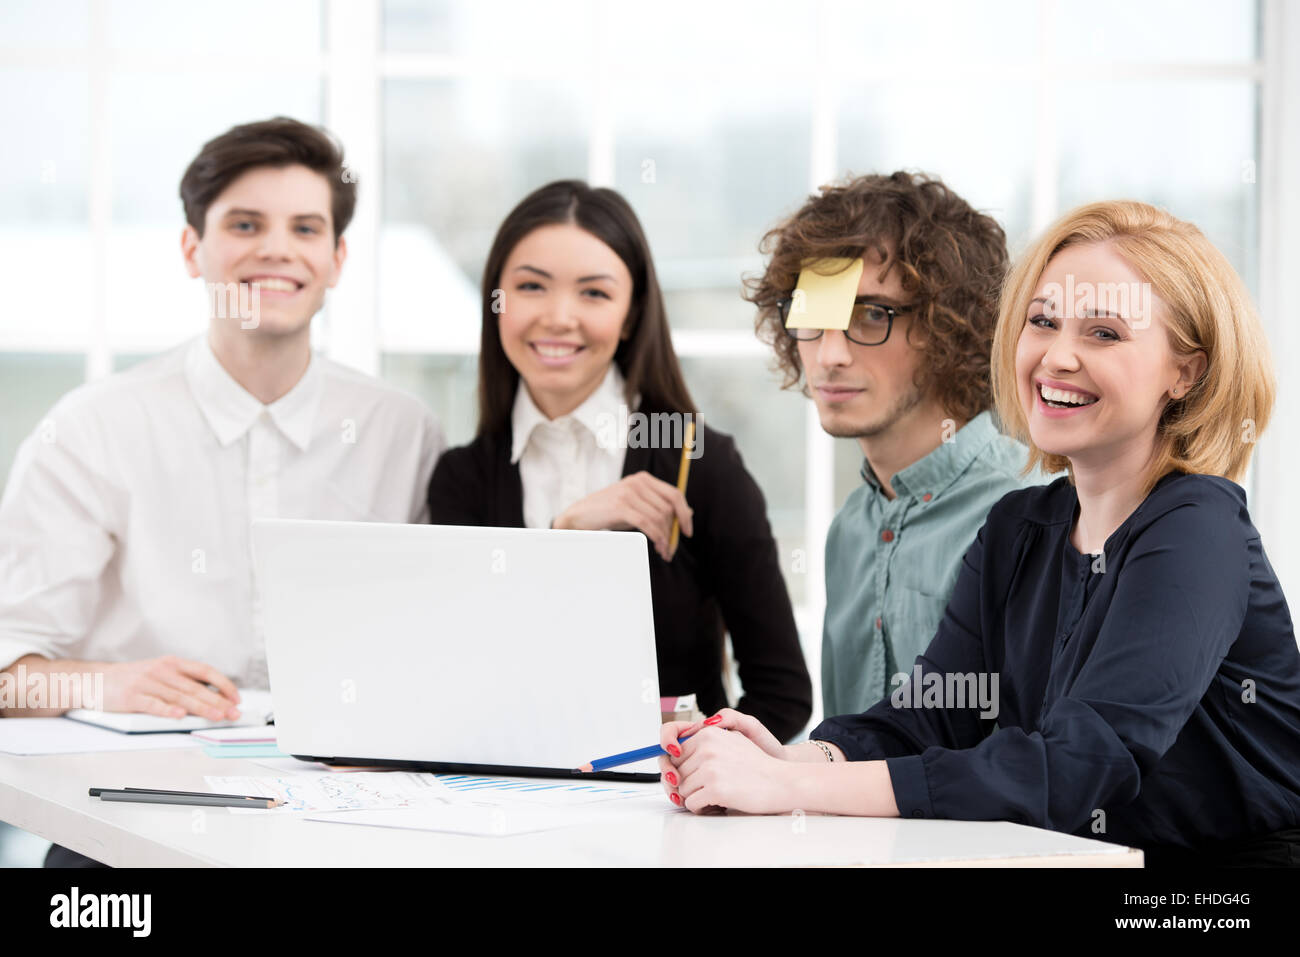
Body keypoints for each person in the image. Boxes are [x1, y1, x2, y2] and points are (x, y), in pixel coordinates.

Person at [659, 200, 1300, 866]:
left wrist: (793, 783)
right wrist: (790, 754)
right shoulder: (1019, 527)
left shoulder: (1199, 528)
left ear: (1185, 371)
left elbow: (1078, 763)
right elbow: (928, 717)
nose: (1058, 356)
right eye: (1043, 322)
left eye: (1104, 333)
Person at [0, 117, 445, 865]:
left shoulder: (401, 431)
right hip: (122, 832)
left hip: (347, 827)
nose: (276, 247)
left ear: (334, 260)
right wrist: (113, 683)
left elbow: (447, 646)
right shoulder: (92, 428)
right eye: (245, 224)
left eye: (305, 228)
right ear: (190, 249)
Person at [427, 180, 812, 742]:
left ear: (631, 315)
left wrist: (699, 767)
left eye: (594, 293)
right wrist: (564, 535)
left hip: (671, 813)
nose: (559, 317)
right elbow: (459, 679)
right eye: (531, 286)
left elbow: (782, 696)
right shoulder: (460, 480)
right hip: (506, 804)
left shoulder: (699, 462)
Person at [745, 171, 1051, 717]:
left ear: (951, 325)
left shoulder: (1032, 511)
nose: (829, 355)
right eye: (811, 316)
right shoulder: (851, 528)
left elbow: (1047, 763)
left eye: (870, 315)